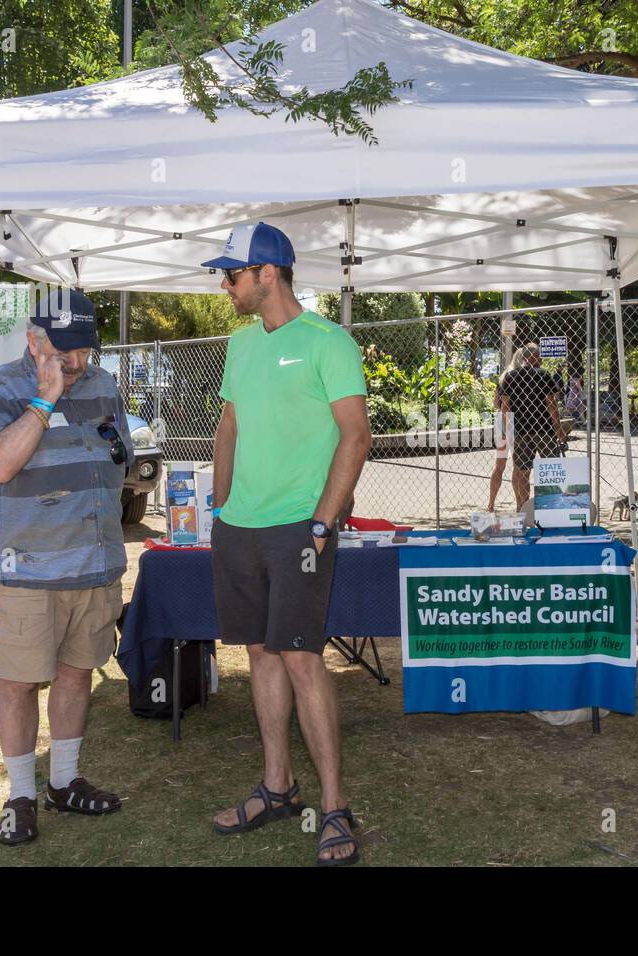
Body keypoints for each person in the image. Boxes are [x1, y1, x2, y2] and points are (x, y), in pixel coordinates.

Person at [204, 222, 371, 866]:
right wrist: (221, 507)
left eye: (234, 273)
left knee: (302, 658)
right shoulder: (240, 346)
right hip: (240, 529)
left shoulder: (330, 342)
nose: (227, 284)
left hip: (301, 527)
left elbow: (355, 437)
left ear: (267, 273)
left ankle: (335, 807)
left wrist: (324, 521)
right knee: (261, 655)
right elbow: (228, 425)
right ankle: (277, 787)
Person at [0, 290, 131, 846]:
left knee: (77, 672)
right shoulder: (0, 388)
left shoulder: (105, 384)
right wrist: (44, 401)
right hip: (28, 571)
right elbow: (0, 463)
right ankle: (20, 795)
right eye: (61, 348)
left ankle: (63, 781)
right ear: (32, 339)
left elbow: (118, 457)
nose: (74, 360)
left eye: (83, 347)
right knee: (17, 683)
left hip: (94, 563)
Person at [500, 343, 568, 508]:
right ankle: (551, 508)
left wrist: (509, 432)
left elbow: (505, 408)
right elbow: (551, 405)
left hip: (521, 431)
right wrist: (559, 432)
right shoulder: (544, 375)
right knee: (551, 471)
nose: (542, 361)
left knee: (523, 473)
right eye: (540, 357)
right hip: (544, 430)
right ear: (534, 358)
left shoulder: (510, 377)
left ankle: (524, 508)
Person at [486, 348, 530, 512]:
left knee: (499, 464)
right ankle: (519, 504)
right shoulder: (523, 377)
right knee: (518, 465)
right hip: (517, 421)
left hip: (502, 421)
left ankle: (491, 504)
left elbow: (496, 403)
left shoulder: (504, 376)